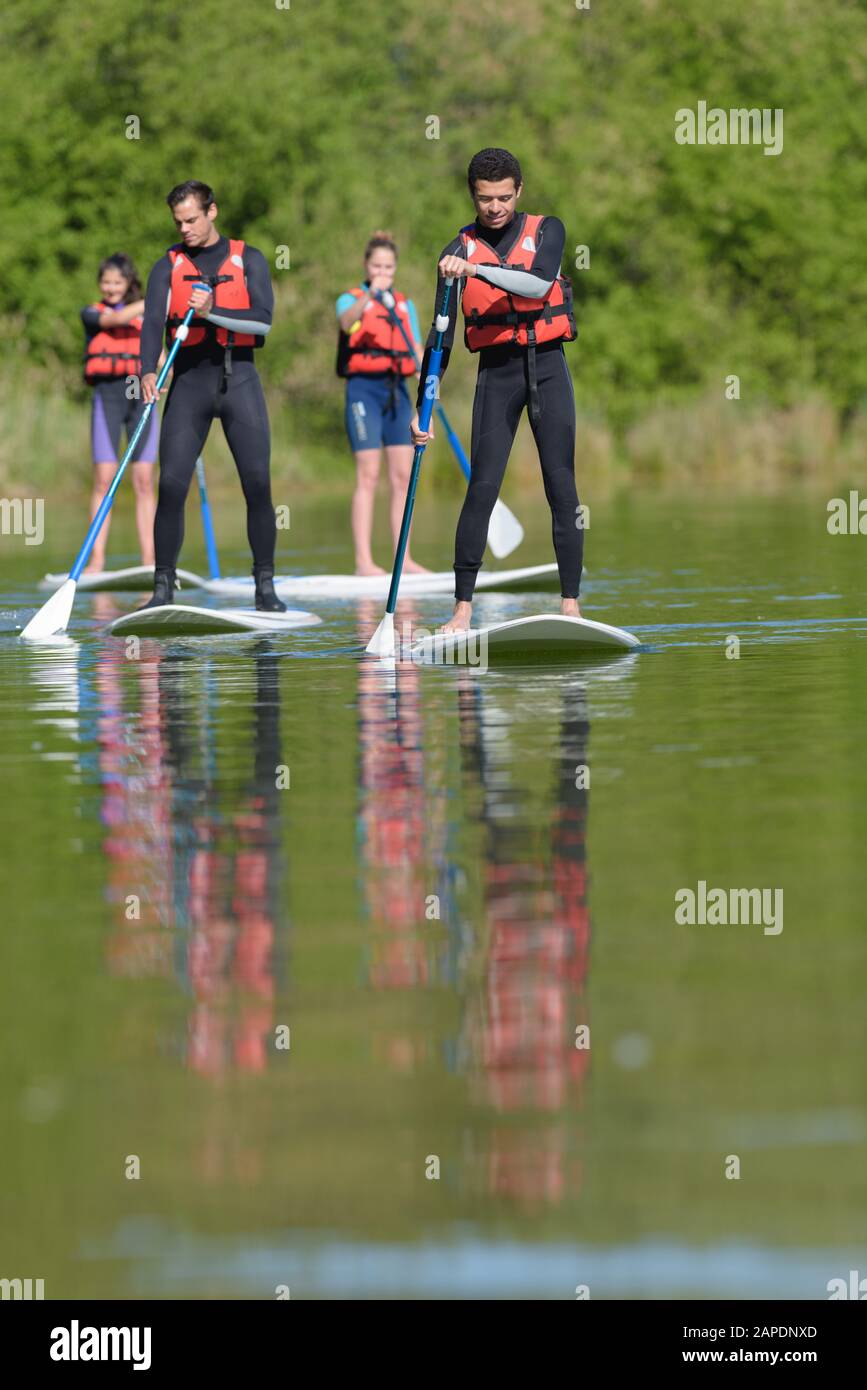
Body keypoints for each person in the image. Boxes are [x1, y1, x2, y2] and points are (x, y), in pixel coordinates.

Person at [411, 147, 582, 632]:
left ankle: (570, 604)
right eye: (485, 199)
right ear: (473, 195)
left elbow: (536, 285)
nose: (495, 208)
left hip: (547, 368)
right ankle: (461, 612)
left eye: (504, 197)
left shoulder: (549, 229)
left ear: (519, 191)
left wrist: (477, 270)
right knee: (481, 488)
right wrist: (424, 402)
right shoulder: (455, 250)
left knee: (561, 487)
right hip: (497, 372)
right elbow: (440, 332)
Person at [139, 179, 284, 611]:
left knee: (257, 484)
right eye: (178, 222)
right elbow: (150, 324)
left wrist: (211, 311)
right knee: (170, 484)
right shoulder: (166, 266)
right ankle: (163, 588)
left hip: (239, 380)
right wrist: (147, 369)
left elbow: (263, 321)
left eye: (192, 219)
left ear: (212, 212)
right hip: (188, 383)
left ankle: (265, 588)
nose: (185, 229)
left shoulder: (250, 259)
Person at [336, 232, 429, 577]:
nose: (383, 272)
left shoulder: (405, 305)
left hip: (398, 391)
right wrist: (372, 295)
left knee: (403, 476)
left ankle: (403, 559)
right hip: (363, 391)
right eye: (377, 266)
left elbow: (417, 352)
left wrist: (427, 393)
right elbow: (347, 324)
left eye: (388, 267)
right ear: (366, 266)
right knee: (368, 475)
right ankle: (363, 562)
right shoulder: (351, 299)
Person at [81, 254, 156, 573]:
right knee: (104, 478)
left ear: (128, 283)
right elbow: (116, 320)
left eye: (117, 282)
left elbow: (160, 352)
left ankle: (150, 560)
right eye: (106, 282)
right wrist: (154, 300)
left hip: (139, 393)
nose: (110, 288)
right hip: (108, 395)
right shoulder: (91, 313)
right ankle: (97, 560)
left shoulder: (148, 319)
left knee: (143, 480)